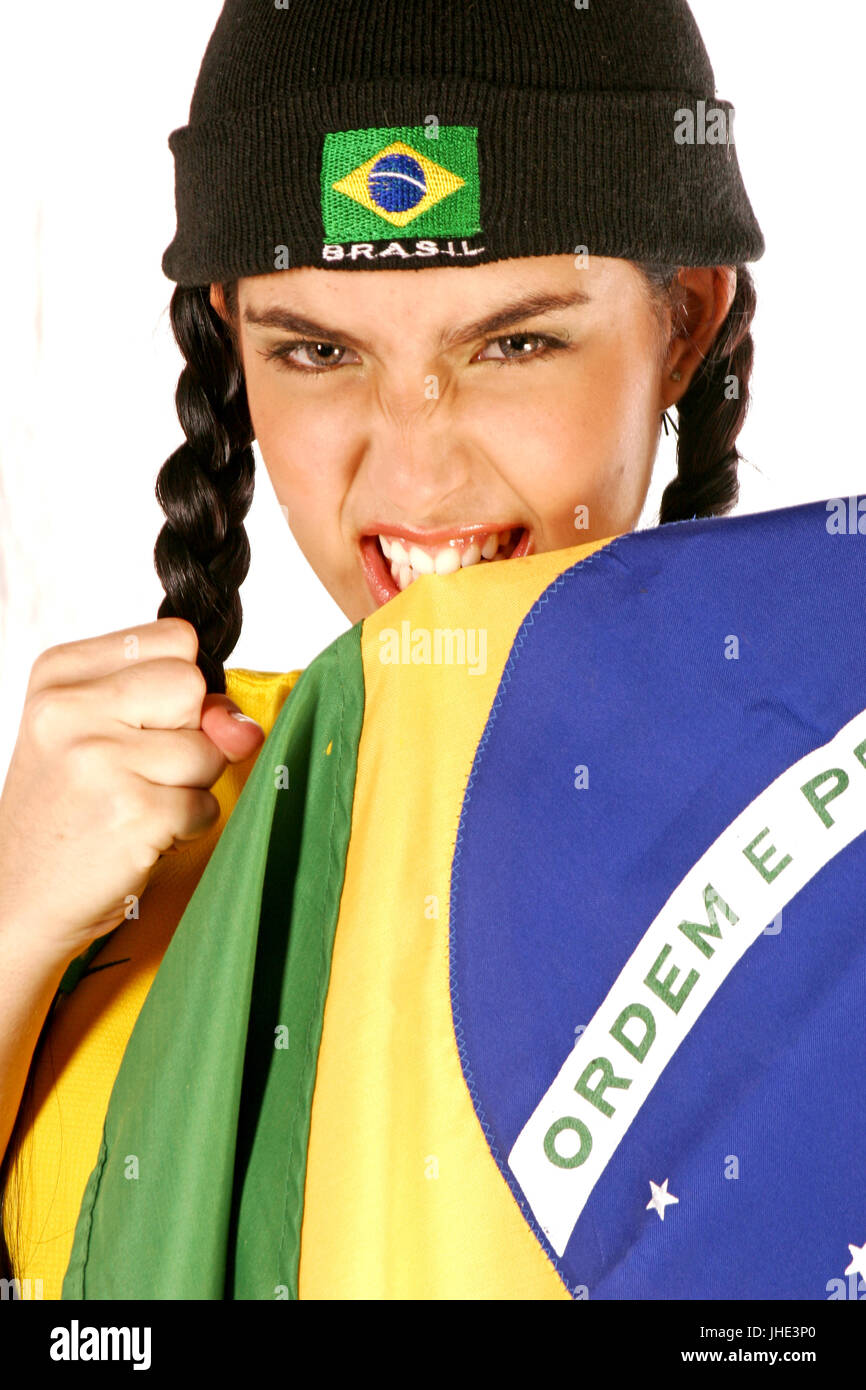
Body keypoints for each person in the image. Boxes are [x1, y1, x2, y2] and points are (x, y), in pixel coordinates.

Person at [0, 0, 764, 1298]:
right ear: (231, 340)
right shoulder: (117, 841)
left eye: (514, 341)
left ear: (681, 326)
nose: (414, 467)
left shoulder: (826, 800)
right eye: (316, 349)